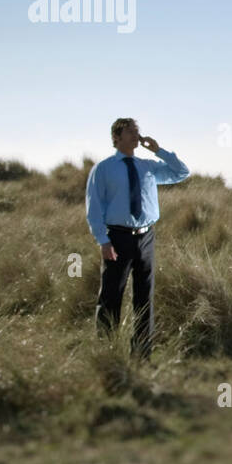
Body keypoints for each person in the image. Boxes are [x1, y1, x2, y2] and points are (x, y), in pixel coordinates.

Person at [85, 118, 190, 359]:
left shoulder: (148, 166)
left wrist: (158, 150)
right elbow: (94, 208)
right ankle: (107, 352)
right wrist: (103, 240)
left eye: (137, 131)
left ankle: (142, 354)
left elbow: (181, 173)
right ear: (116, 138)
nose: (135, 135)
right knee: (111, 296)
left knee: (145, 297)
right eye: (130, 131)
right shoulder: (103, 169)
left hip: (146, 237)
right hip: (117, 238)